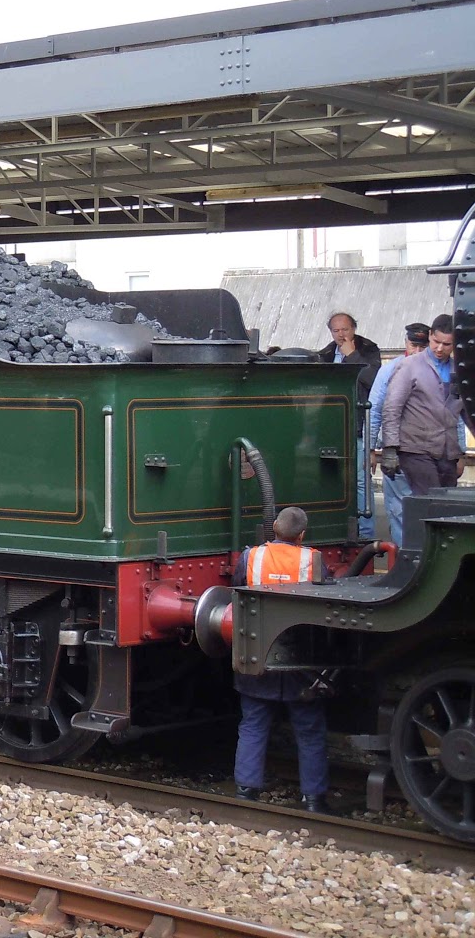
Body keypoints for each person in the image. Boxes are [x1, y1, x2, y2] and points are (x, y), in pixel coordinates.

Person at [232, 506, 332, 813]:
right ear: (302, 534)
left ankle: (246, 791)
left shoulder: (250, 557)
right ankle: (313, 798)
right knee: (310, 728)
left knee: (253, 724)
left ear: (273, 527)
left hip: (256, 652)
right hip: (298, 658)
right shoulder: (313, 560)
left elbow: (237, 590)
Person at [380, 314, 465, 494]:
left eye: (447, 344)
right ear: (430, 335)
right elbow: (392, 408)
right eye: (436, 341)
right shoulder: (409, 366)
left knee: (448, 503)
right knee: (429, 499)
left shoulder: (460, 368)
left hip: (447, 450)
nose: (439, 348)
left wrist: (461, 452)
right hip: (415, 448)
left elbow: (465, 412)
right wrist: (389, 448)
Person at [319, 312, 382, 539]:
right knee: (333, 480)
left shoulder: (368, 350)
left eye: (345, 329)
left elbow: (373, 381)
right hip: (332, 427)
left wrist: (352, 356)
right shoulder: (324, 354)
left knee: (361, 482)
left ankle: (365, 535)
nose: (341, 334)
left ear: (354, 329)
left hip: (358, 425)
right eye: (336, 331)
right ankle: (336, 530)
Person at [369, 322, 430, 545]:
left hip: (429, 454)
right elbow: (374, 410)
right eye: (414, 345)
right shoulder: (388, 371)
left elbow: (452, 412)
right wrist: (371, 450)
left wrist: (460, 451)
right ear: (406, 343)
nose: (417, 352)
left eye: (422, 347)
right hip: (398, 452)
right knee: (398, 511)